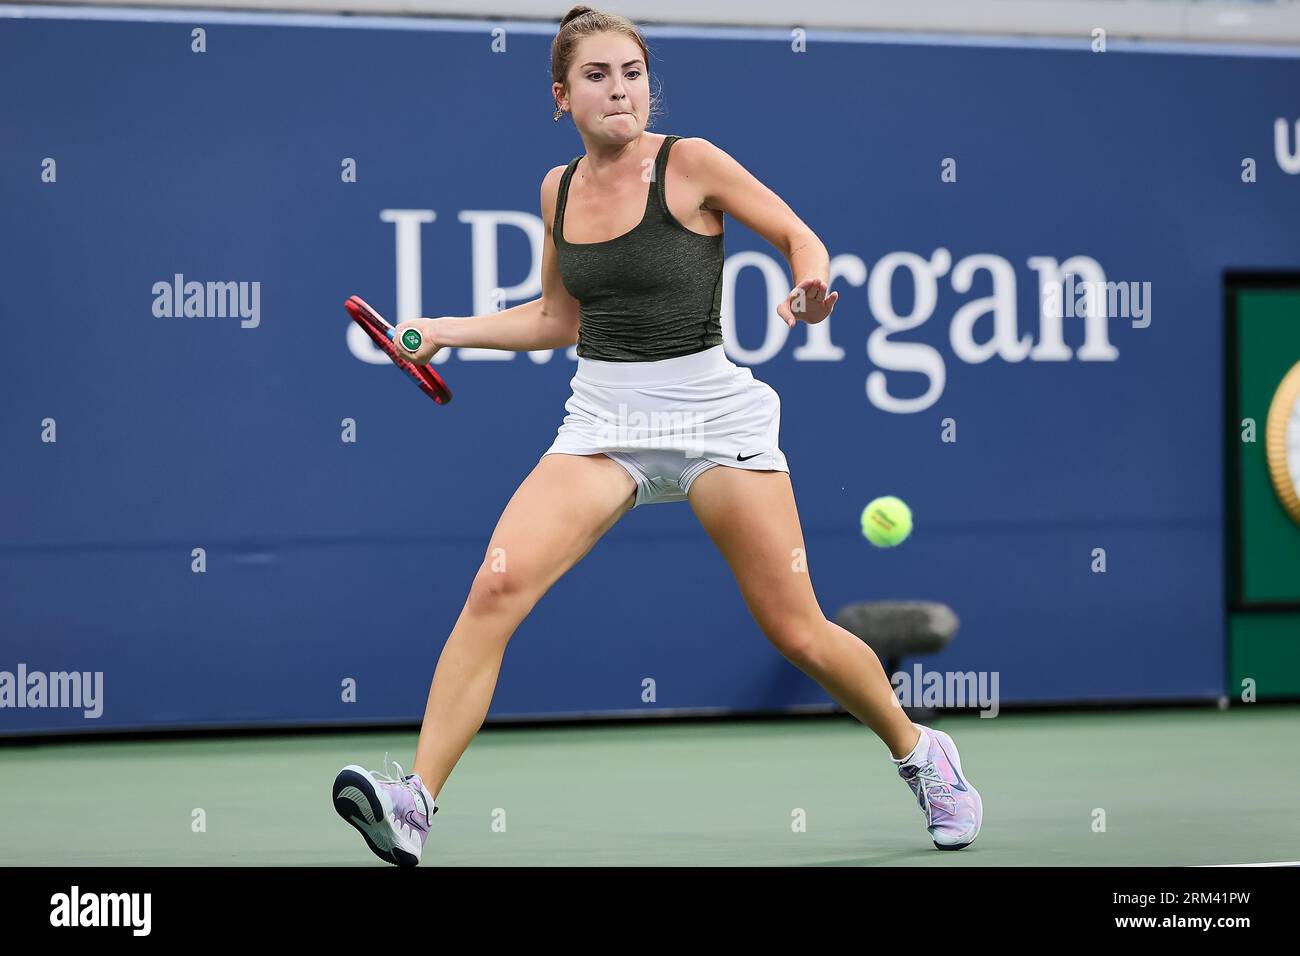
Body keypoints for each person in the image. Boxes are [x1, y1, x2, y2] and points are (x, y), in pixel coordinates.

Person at [331, 4, 982, 866]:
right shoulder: (556, 190)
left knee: (797, 630)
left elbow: (798, 235)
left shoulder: (693, 164)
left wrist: (811, 286)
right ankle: (415, 801)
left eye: (632, 73)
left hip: (715, 418)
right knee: (497, 586)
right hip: (605, 420)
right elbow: (558, 317)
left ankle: (921, 752)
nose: (620, 90)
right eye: (597, 77)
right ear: (561, 96)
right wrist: (448, 329)